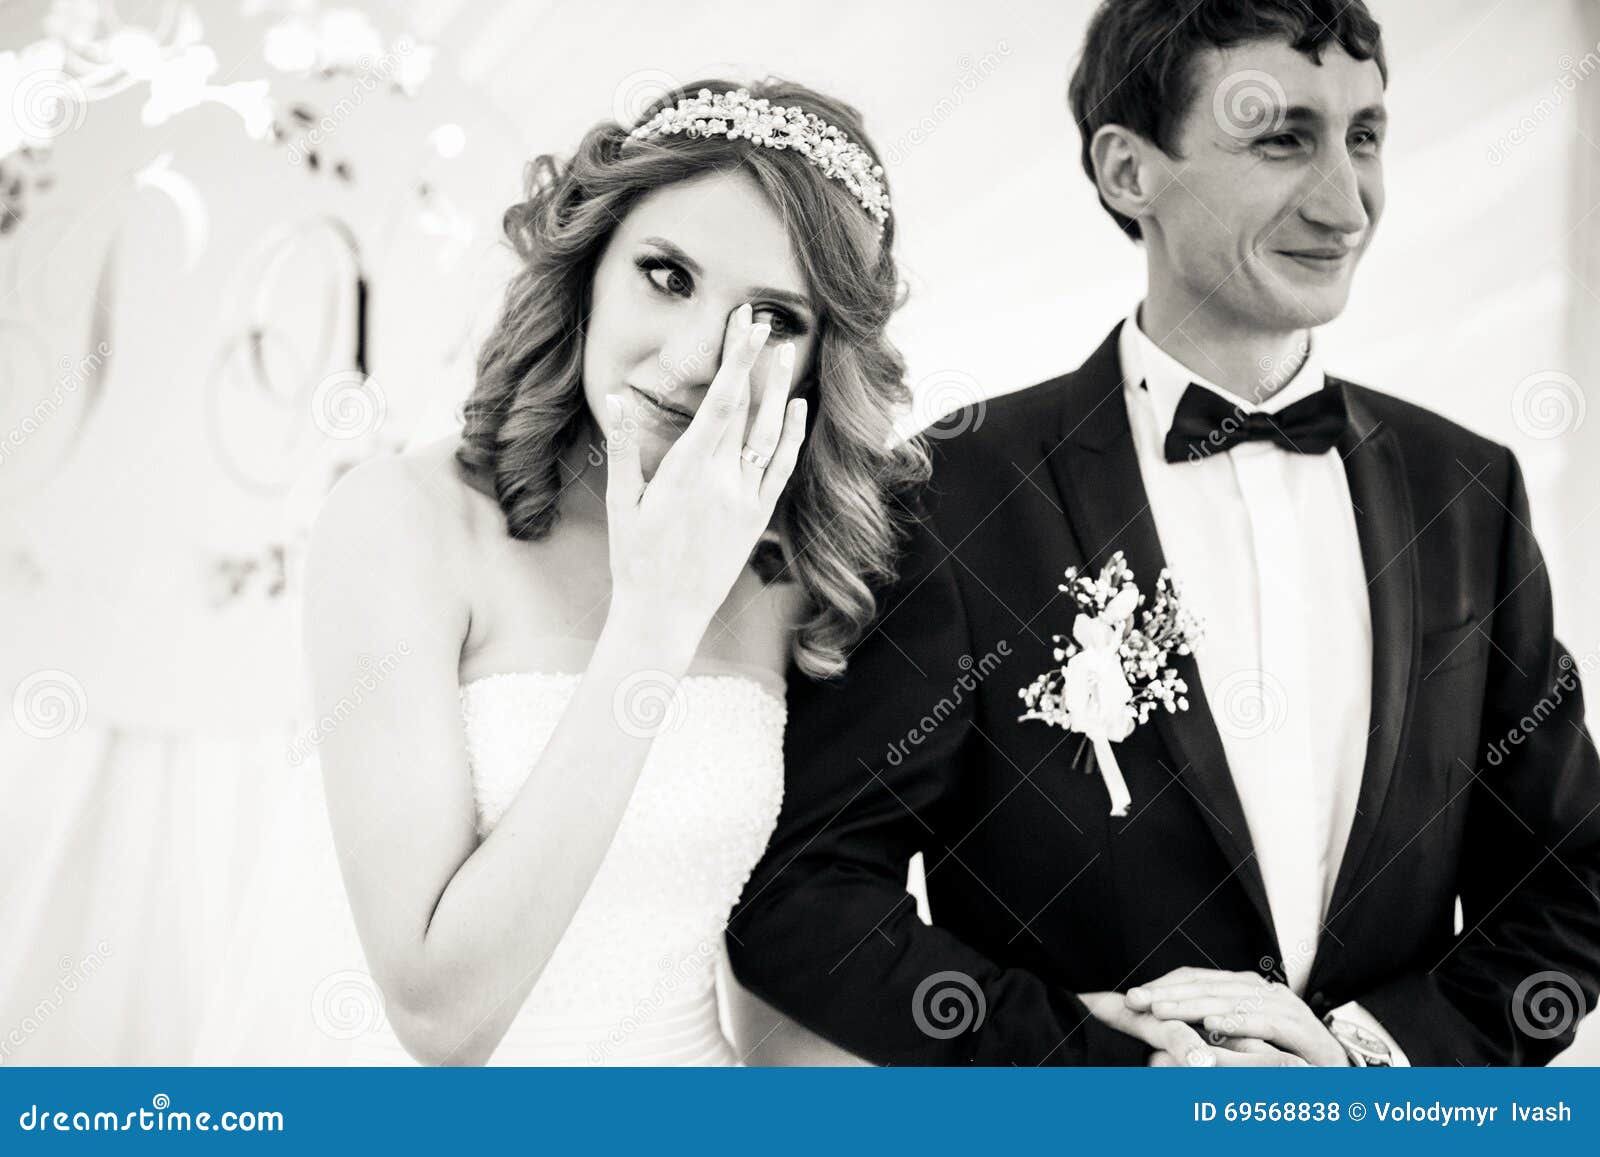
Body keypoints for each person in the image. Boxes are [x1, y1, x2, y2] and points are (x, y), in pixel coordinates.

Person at [728, 0, 1600, 1066]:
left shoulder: (1468, 489)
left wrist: (1373, 1061)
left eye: (1362, 135)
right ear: (1128, 170)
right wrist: (1102, 1070)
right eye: (1281, 138)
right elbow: (806, 895)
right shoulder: (955, 489)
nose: (1345, 203)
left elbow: (1572, 882)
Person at [301, 79, 926, 1065]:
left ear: (819, 362)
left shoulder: (806, 570)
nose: (691, 359)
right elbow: (440, 1016)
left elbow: (795, 954)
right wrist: (655, 617)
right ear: (588, 266)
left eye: (771, 316)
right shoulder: (403, 521)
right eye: (667, 276)